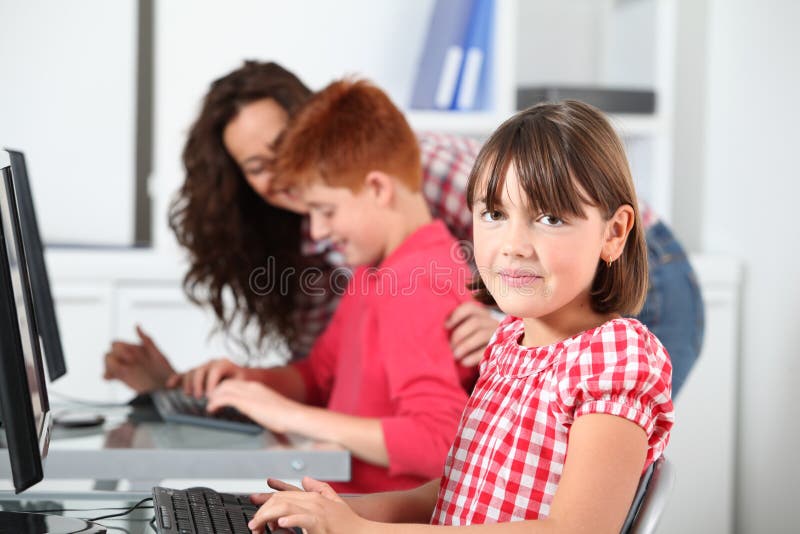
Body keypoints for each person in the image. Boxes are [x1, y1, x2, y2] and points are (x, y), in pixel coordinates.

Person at [246, 100, 675, 533]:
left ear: (614, 233)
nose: (513, 245)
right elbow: (455, 491)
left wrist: (361, 531)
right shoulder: (508, 342)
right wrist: (338, 512)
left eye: (549, 218)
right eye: (494, 214)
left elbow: (576, 531)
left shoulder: (615, 357)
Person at [102, 61, 497, 394]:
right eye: (257, 167)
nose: (280, 172)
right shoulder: (310, 243)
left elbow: (539, 256)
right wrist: (184, 390)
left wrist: (507, 333)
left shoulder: (434, 171)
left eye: (283, 145)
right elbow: (324, 378)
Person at [186, 78, 479, 494]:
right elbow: (319, 375)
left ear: (377, 188)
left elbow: (439, 442)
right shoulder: (373, 269)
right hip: (337, 507)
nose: (318, 231)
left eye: (325, 210)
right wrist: (253, 383)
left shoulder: (414, 282)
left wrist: (291, 416)